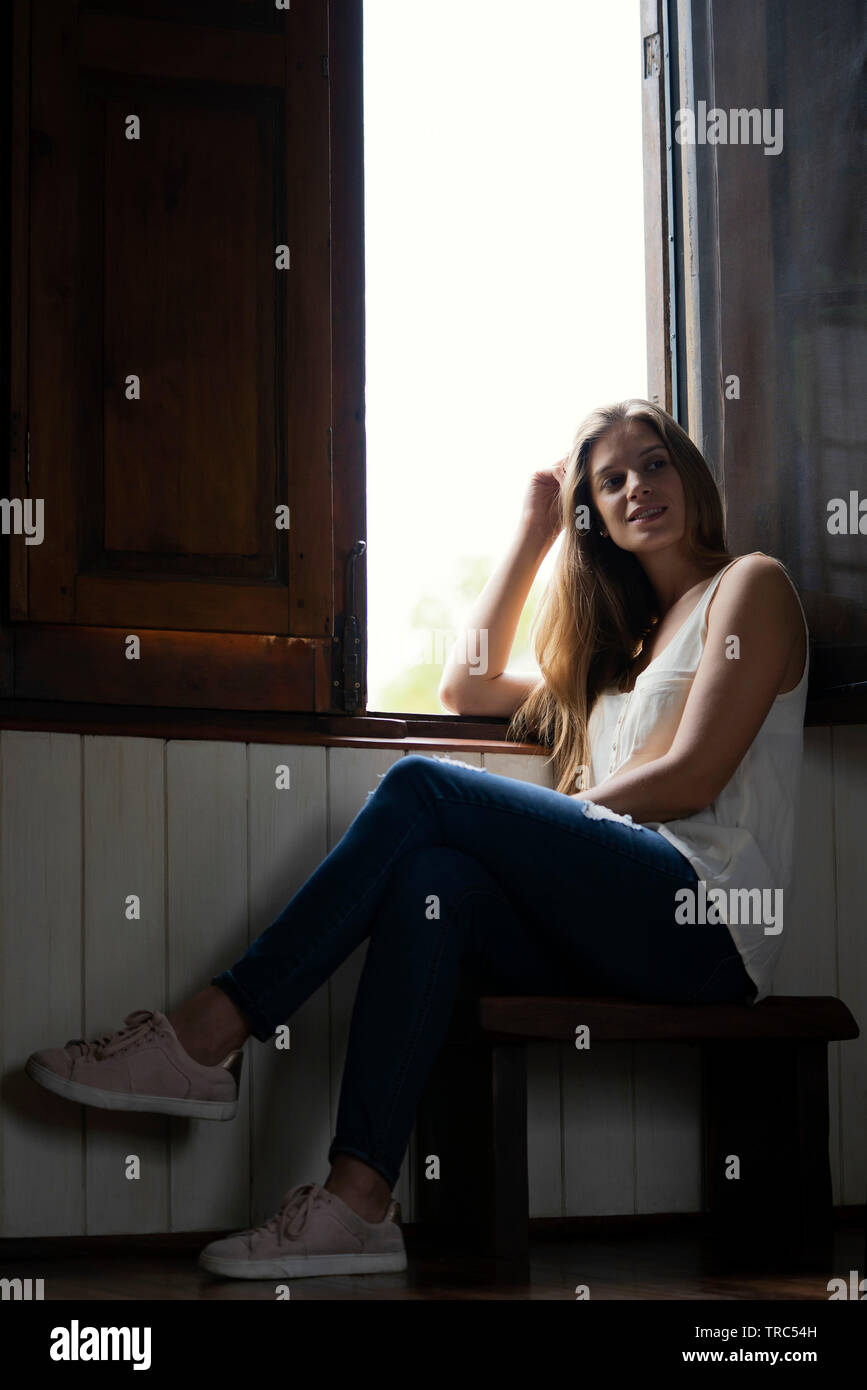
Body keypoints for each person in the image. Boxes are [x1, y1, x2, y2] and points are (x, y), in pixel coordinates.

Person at [25, 398, 809, 1281]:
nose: (637, 488)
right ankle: (357, 1202)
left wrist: (567, 823)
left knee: (420, 787)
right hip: (618, 921)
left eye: (654, 463)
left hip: (706, 924)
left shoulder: (750, 585)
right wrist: (530, 528)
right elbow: (465, 682)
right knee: (430, 879)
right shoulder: (614, 650)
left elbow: (695, 777)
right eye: (610, 481)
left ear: (690, 472)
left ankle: (210, 1034)